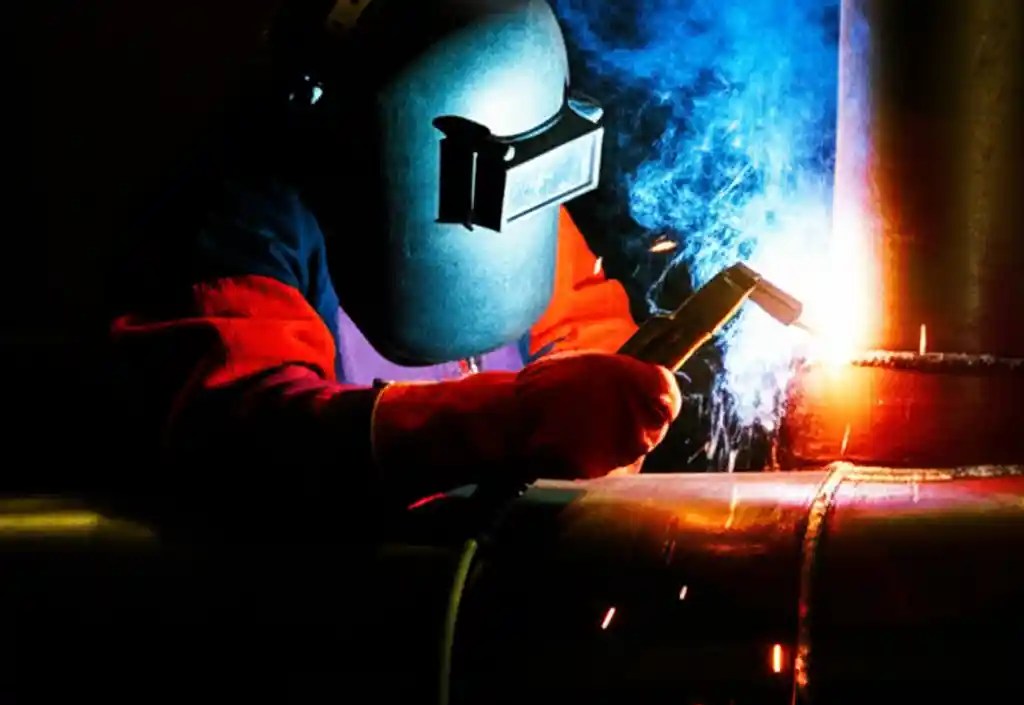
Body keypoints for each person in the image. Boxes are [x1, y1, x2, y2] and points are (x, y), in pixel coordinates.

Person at [107, 0, 680, 518]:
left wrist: (604, 406)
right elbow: (240, 435)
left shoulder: (499, 170)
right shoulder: (242, 220)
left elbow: (587, 325)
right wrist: (507, 423)